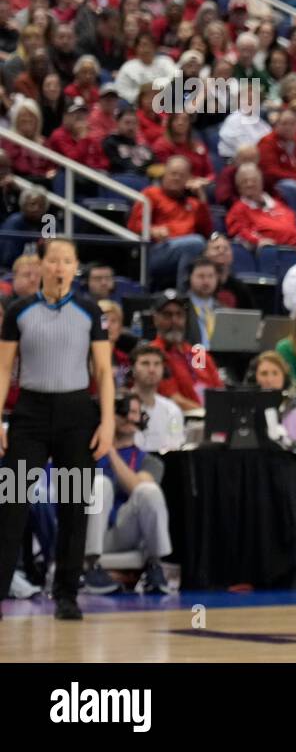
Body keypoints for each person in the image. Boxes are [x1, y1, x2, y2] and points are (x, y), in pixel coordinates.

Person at [0, 238, 115, 621]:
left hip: (76, 414)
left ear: (75, 267)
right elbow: (2, 369)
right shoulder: (18, 310)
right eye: (54, 260)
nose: (60, 266)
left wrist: (109, 421)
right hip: (30, 414)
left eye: (67, 260)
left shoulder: (88, 311)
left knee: (73, 507)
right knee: (11, 503)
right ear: (42, 266)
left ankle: (67, 594)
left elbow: (102, 371)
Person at [83, 392, 172, 594]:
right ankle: (91, 566)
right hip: (87, 531)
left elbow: (136, 487)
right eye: (123, 411)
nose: (130, 417)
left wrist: (111, 450)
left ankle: (155, 565)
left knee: (148, 491)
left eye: (135, 413)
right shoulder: (87, 454)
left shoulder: (150, 461)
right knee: (99, 483)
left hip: (122, 532)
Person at [128, 156, 214, 288]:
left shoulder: (193, 203)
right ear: (164, 175)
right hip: (157, 250)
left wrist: (201, 196)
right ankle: (185, 294)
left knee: (215, 251)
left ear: (188, 179)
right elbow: (133, 225)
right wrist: (151, 230)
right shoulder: (151, 194)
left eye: (181, 175)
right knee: (195, 243)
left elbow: (206, 232)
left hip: (187, 249)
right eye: (173, 174)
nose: (176, 178)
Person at [127, 343, 186, 453]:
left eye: (157, 364)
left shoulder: (172, 410)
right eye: (145, 363)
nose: (152, 369)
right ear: (132, 369)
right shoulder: (121, 408)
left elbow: (176, 447)